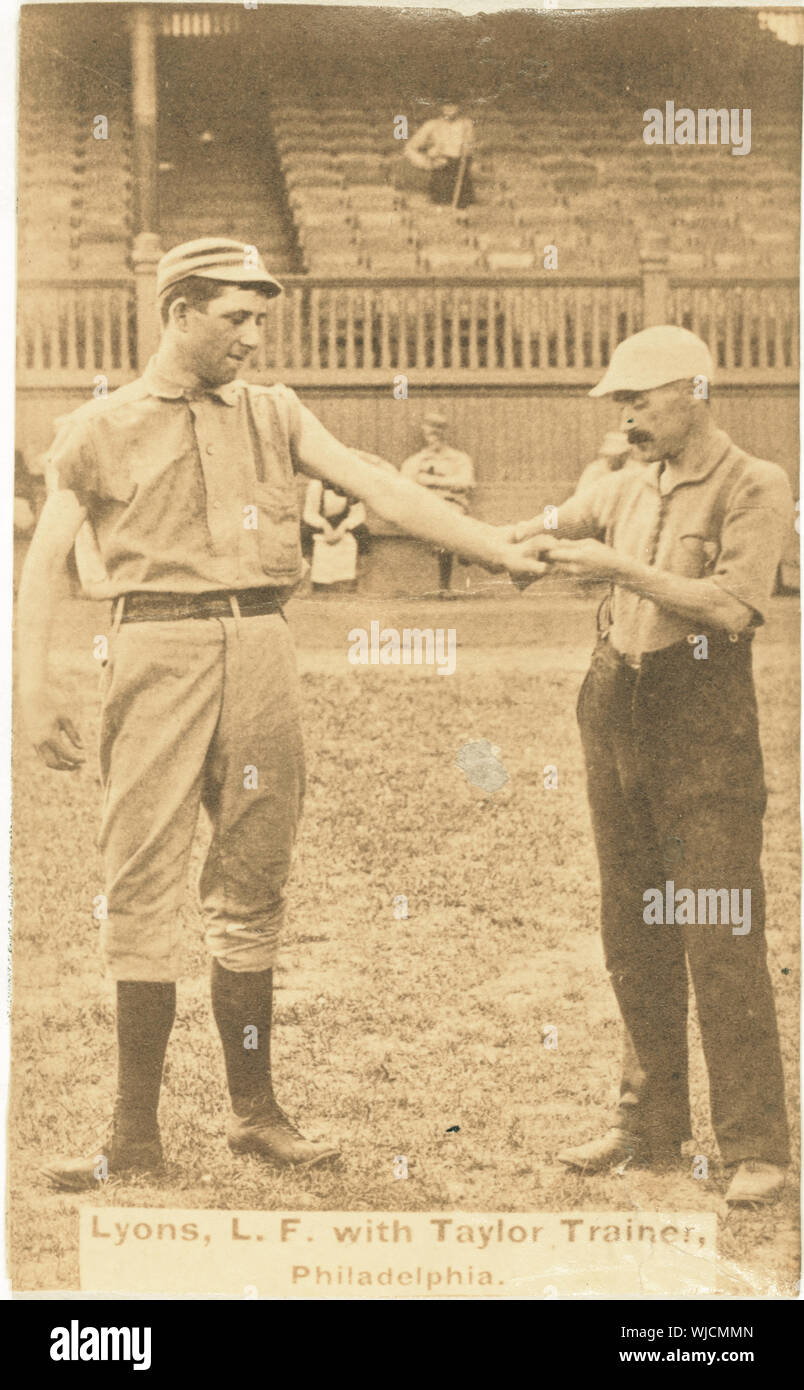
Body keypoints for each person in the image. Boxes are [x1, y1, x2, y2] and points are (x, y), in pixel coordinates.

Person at [18, 237, 547, 1191]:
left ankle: (254, 1111)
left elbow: (374, 483)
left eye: (262, 318)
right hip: (155, 648)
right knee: (140, 878)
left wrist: (488, 548)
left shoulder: (276, 411)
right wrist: (33, 690)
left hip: (261, 644)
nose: (255, 337)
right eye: (236, 317)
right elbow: (45, 559)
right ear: (178, 313)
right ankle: (132, 1131)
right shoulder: (99, 427)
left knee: (255, 873)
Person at [509, 325, 793, 1206]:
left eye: (640, 400)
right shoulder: (624, 482)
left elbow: (734, 607)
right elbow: (547, 524)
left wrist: (617, 569)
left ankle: (756, 1146)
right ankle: (649, 1124)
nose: (627, 417)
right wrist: (509, 541)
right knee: (632, 923)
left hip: (701, 715)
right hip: (615, 703)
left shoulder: (756, 483)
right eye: (619, 404)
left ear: (695, 393)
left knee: (718, 926)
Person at [400, 413, 475, 593]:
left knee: (447, 522)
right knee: (442, 524)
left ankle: (446, 583)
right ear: (424, 436)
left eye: (438, 434)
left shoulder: (459, 458)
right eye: (430, 435)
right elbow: (403, 484)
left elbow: (466, 482)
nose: (434, 439)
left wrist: (429, 480)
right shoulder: (416, 460)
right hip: (426, 506)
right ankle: (464, 549)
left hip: (453, 505)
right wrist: (447, 482)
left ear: (444, 435)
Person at [404, 99, 475, 208]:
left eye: (453, 104)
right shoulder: (432, 125)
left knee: (464, 206)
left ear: (459, 107)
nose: (450, 108)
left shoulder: (466, 124)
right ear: (441, 107)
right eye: (446, 105)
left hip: (461, 171)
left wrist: (467, 151)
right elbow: (409, 148)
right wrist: (427, 163)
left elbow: (470, 147)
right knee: (440, 205)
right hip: (441, 169)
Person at [302, 477, 367, 591]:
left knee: (362, 532)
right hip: (322, 521)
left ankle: (359, 583)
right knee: (304, 532)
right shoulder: (317, 484)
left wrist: (343, 527)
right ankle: (305, 583)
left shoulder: (352, 483)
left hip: (342, 522)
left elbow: (358, 514)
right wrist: (324, 526)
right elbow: (310, 513)